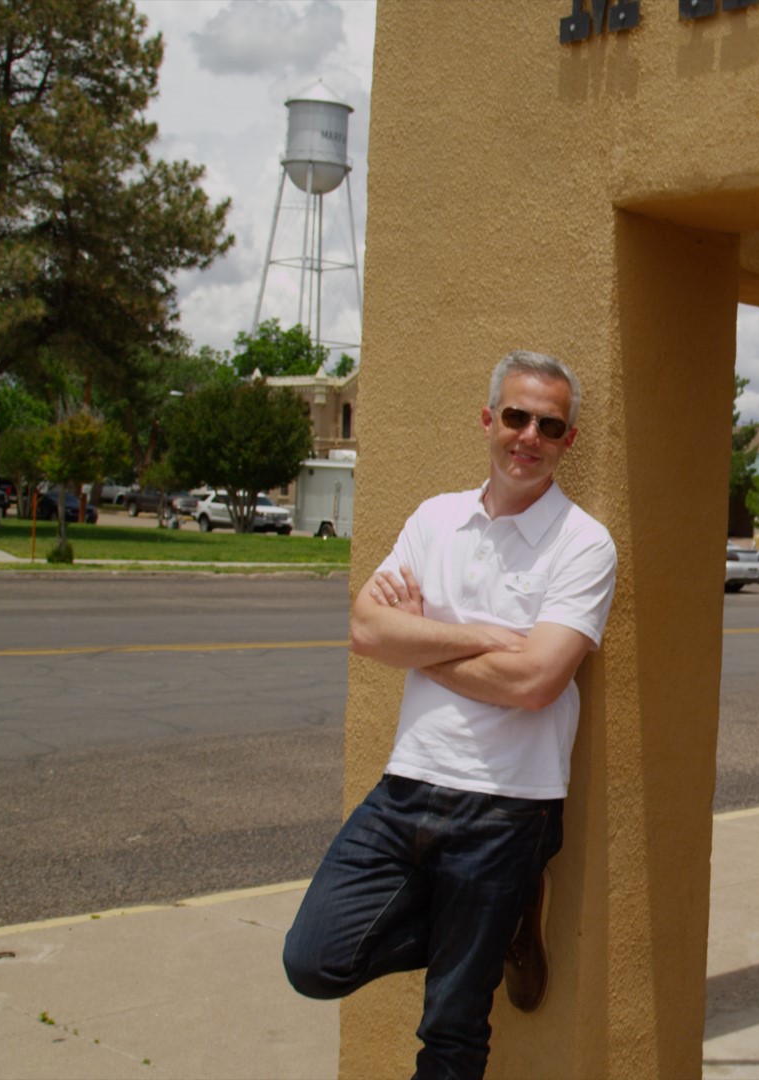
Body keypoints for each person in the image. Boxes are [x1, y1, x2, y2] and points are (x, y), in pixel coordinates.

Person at [283, 350, 617, 1080]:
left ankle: (495, 916)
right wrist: (485, 637)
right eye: (516, 417)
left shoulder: (585, 544)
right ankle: (496, 922)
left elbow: (536, 682)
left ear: (569, 440)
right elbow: (367, 630)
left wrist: (420, 641)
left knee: (452, 1027)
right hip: (407, 786)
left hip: (508, 808)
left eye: (549, 426)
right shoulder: (434, 519)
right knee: (315, 959)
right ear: (488, 419)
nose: (529, 436)